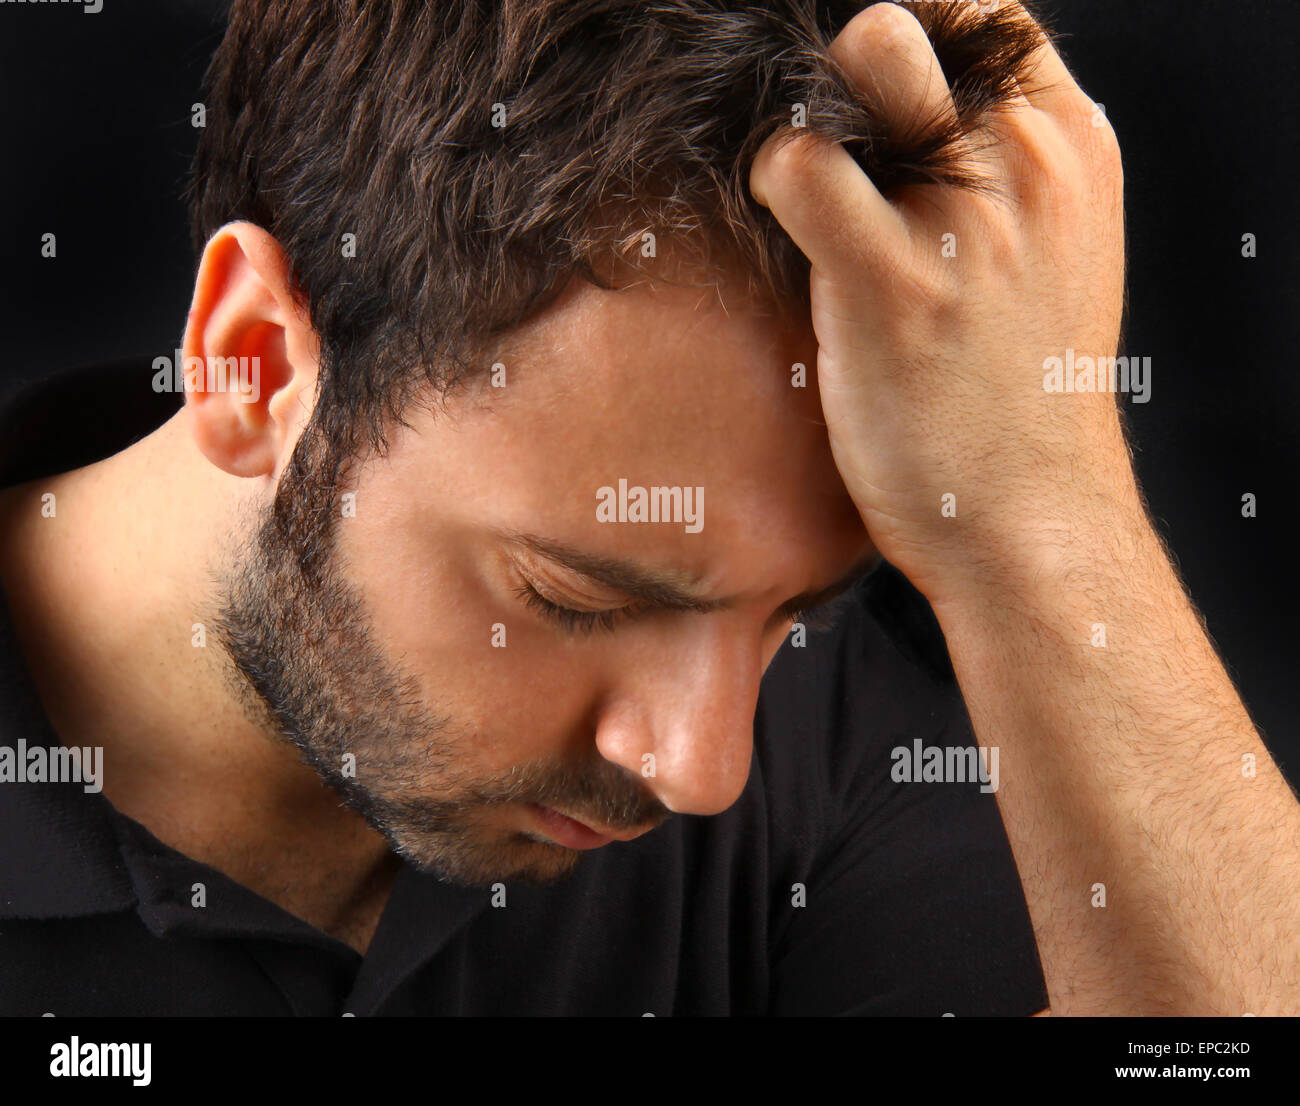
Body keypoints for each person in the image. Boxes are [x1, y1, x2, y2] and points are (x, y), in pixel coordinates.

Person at [0, 0, 1293, 1016]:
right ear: (255, 365)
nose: (703, 766)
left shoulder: (824, 749)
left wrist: (1041, 502)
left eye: (795, 612)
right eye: (582, 597)